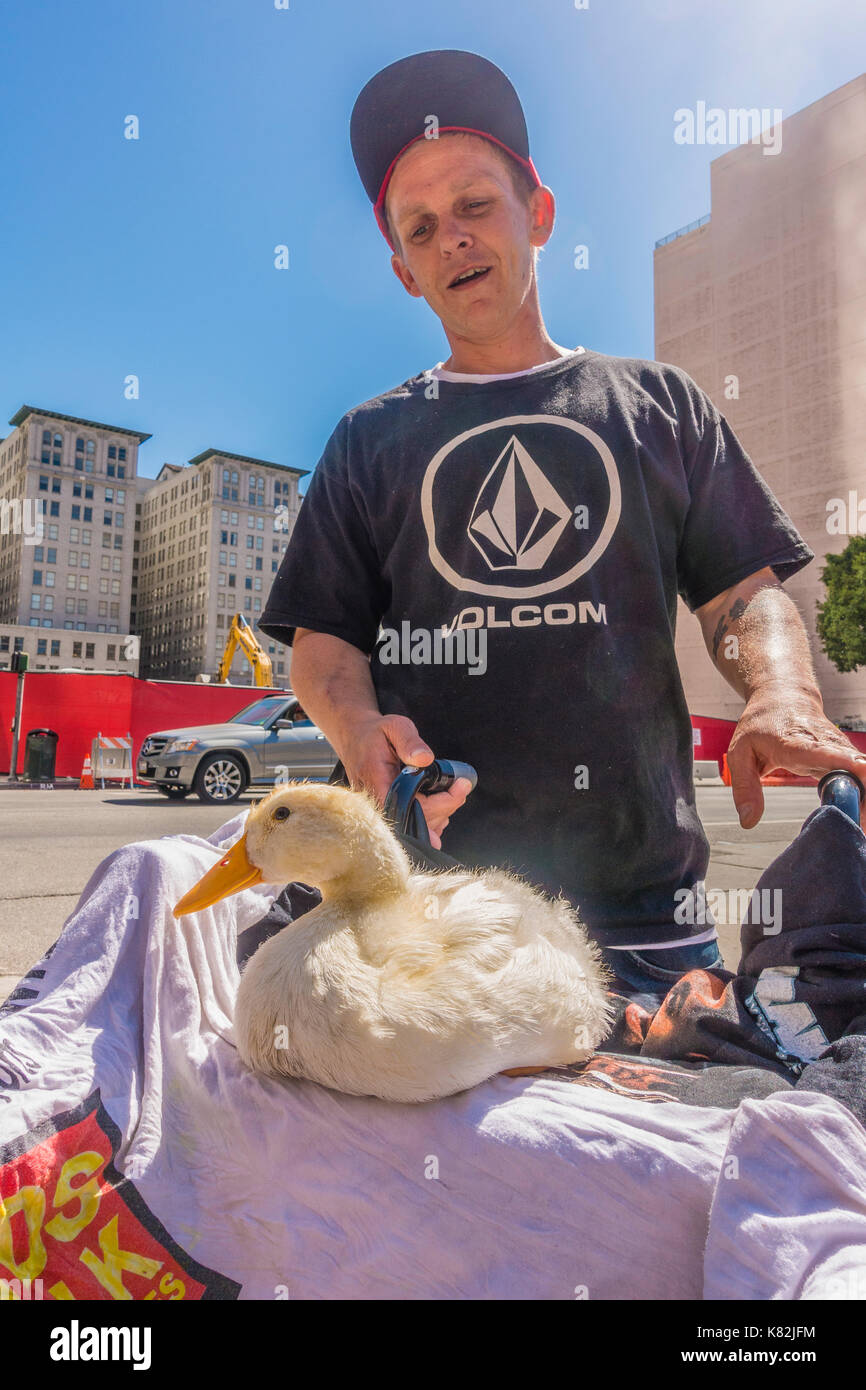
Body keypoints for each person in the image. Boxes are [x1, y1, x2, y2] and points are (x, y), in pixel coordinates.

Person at [259, 49, 866, 1005]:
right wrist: (360, 728)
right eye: (421, 229)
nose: (451, 239)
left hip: (646, 919)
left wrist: (782, 691)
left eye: (473, 205)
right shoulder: (368, 439)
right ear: (404, 270)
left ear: (538, 212)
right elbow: (325, 645)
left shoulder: (659, 405)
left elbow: (743, 593)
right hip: (433, 912)